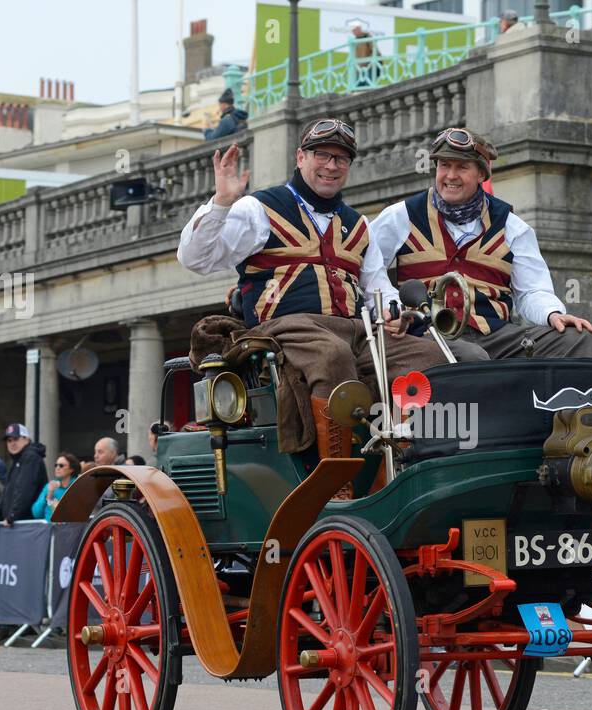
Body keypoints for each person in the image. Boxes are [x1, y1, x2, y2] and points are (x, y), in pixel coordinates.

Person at [177, 119, 448, 483]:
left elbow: (376, 286)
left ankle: (392, 472)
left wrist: (390, 310)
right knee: (330, 355)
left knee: (430, 359)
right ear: (300, 157)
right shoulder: (258, 208)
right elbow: (195, 258)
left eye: (341, 159)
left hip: (357, 331)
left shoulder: (358, 224)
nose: (332, 166)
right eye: (323, 155)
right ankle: (335, 482)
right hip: (287, 327)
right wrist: (223, 203)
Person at [370, 127, 592, 361]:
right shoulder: (400, 216)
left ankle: (573, 399)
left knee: (578, 339)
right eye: (444, 165)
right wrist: (392, 311)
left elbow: (532, 291)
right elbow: (369, 273)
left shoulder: (512, 226)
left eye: (461, 167)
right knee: (472, 357)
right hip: (426, 337)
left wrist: (553, 314)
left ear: (482, 173)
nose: (450, 175)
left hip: (497, 337)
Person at [0, 423, 48, 525]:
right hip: (18, 523)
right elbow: (7, 493)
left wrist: (12, 516)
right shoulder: (17, 460)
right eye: (9, 440)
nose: (12, 443)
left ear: (26, 439)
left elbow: (25, 489)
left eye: (16, 439)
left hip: (26, 524)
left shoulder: (30, 457)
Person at [34, 451, 80, 520]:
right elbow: (36, 514)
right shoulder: (49, 486)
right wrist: (48, 495)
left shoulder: (78, 485)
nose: (57, 468)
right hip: (51, 529)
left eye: (61, 465)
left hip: (73, 527)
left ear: (71, 469)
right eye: (56, 465)